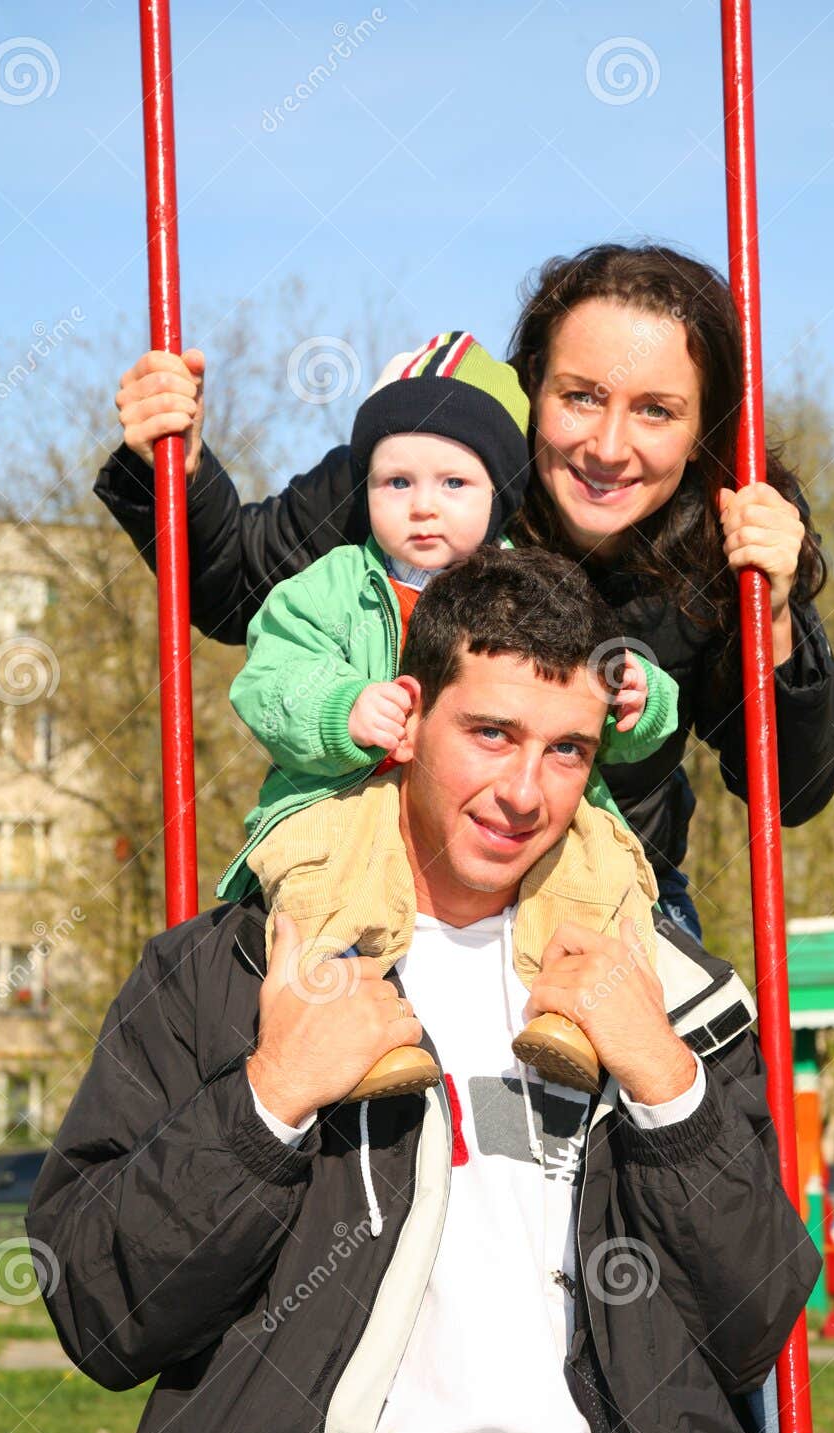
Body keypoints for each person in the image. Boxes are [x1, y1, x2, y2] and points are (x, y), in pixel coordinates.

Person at [28, 549, 822, 1433]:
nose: (524, 791)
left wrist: (668, 1090)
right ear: (407, 721)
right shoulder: (227, 970)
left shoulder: (666, 989)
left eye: (566, 749)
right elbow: (98, 1307)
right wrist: (267, 1099)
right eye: (489, 733)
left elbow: (754, 1313)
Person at [96, 242, 834, 941]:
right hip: (382, 883)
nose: (607, 446)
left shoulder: (727, 538)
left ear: (702, 430)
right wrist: (175, 466)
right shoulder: (436, 466)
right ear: (531, 387)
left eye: (655, 410)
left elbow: (793, 787)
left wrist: (776, 609)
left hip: (597, 902)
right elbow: (235, 588)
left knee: (684, 1067)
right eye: (581, 397)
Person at [222, 329, 679, 1101]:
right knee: (325, 876)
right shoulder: (330, 589)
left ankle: (574, 1014)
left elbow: (592, 679)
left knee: (598, 862)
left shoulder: (534, 588)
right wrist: (341, 710)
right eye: (395, 482)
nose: (422, 506)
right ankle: (351, 1028)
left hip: (496, 815)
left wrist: (639, 696)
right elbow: (269, 682)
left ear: (497, 496)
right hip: (348, 794)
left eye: (453, 485)